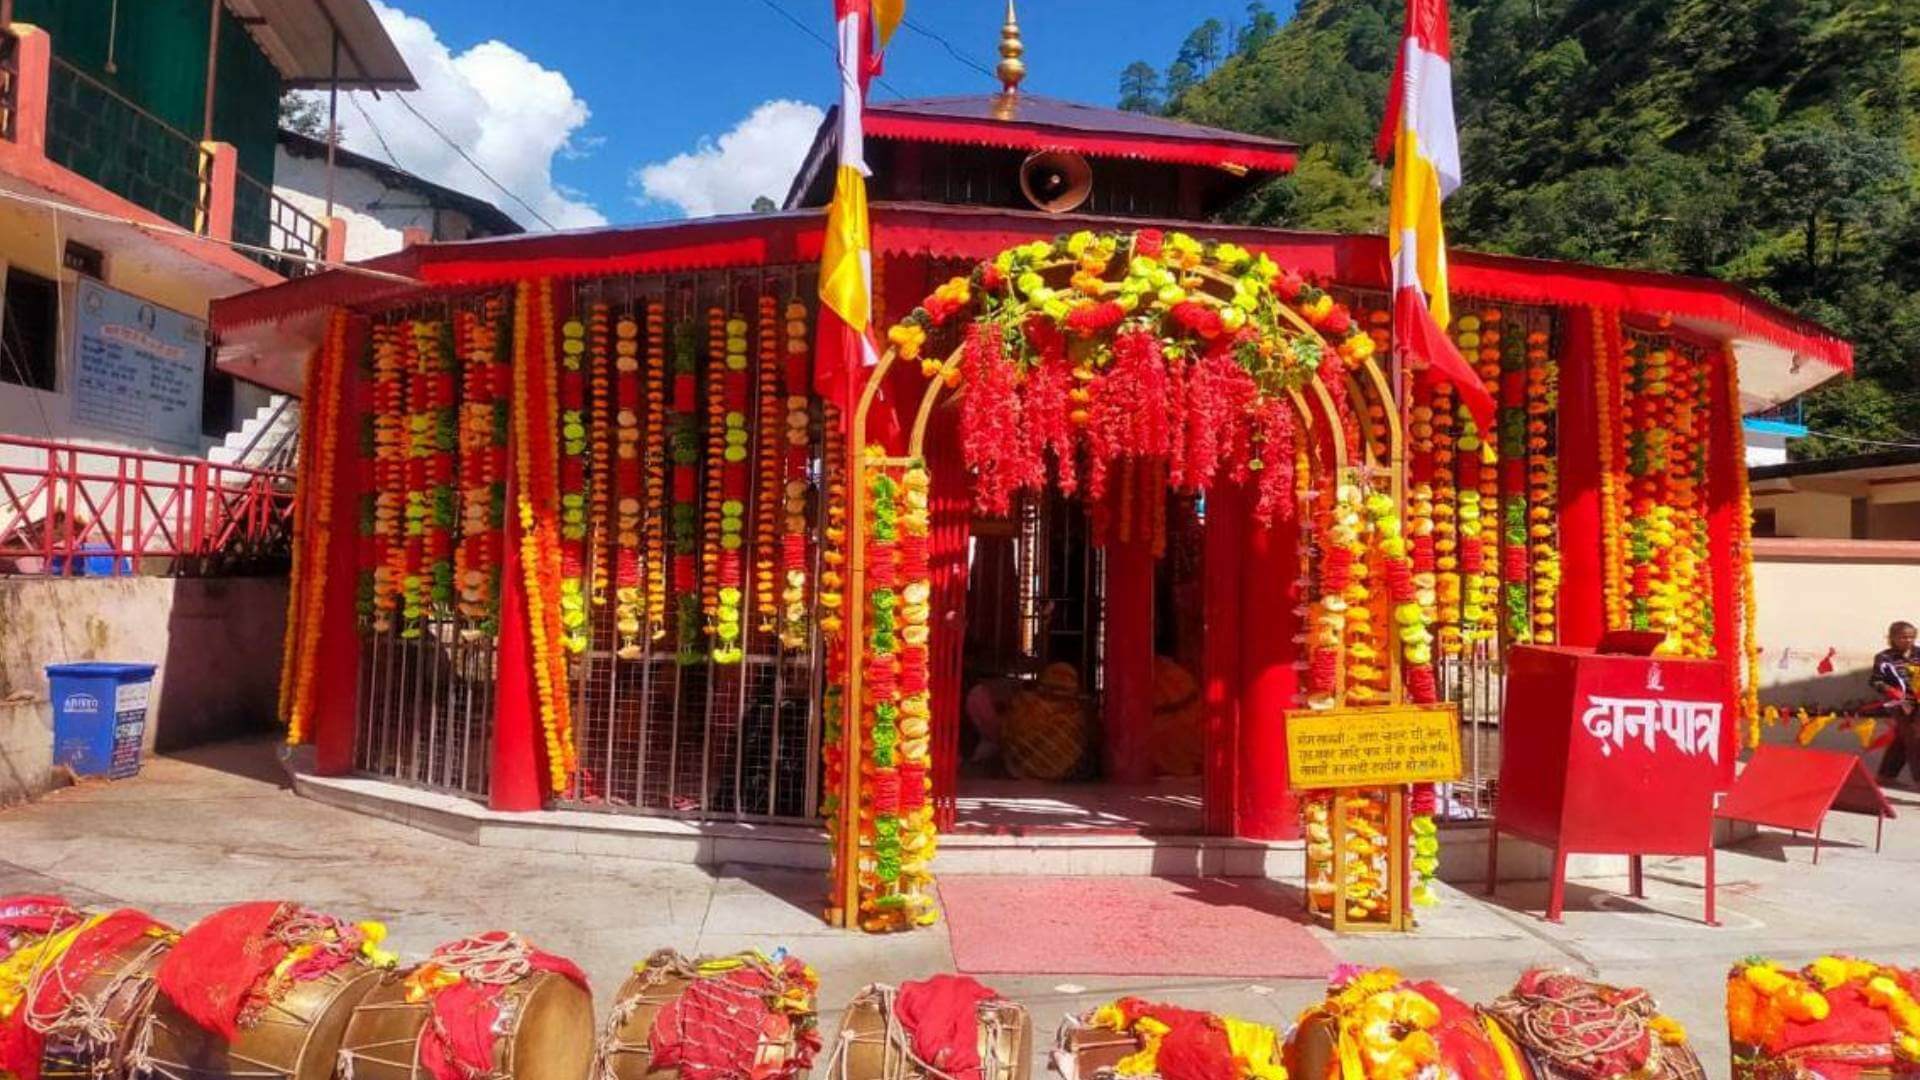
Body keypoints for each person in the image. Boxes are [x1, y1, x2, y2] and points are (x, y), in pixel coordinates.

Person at [1869, 620, 1920, 786]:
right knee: (1915, 738)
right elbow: (1875, 681)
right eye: (1903, 637)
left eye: (1911, 637)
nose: (1908, 640)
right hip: (1900, 703)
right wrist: (1891, 690)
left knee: (1904, 737)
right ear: (1892, 637)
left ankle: (1886, 776)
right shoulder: (1884, 657)